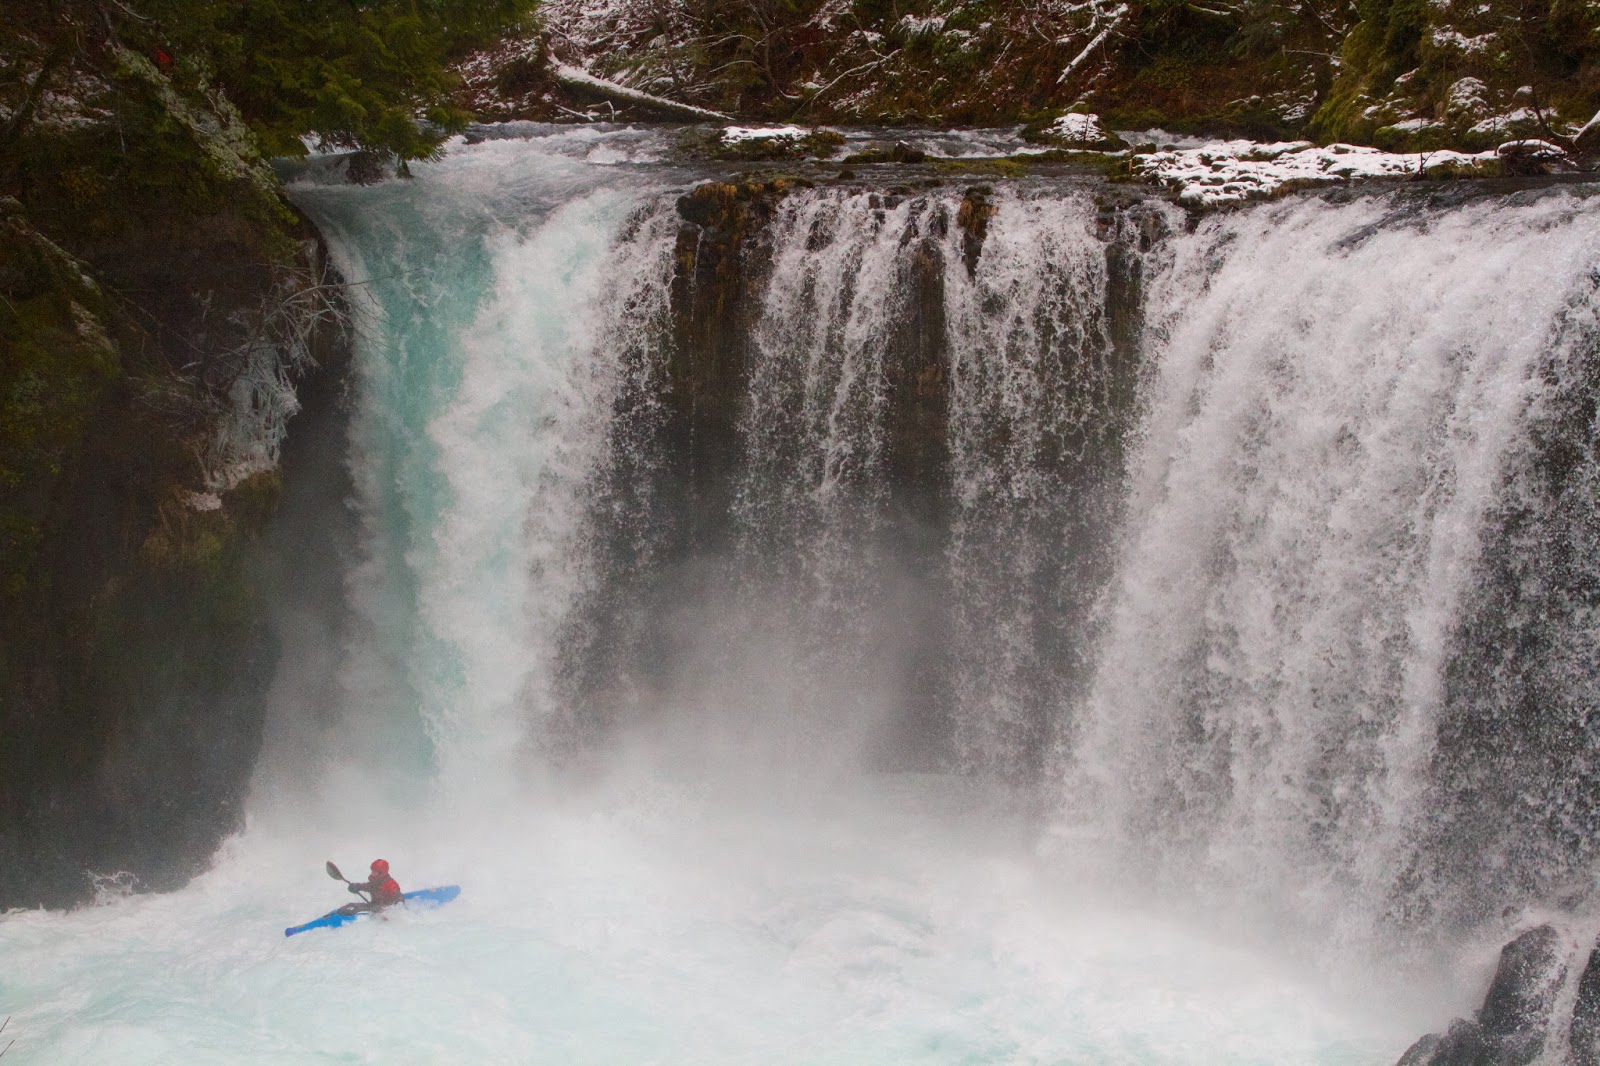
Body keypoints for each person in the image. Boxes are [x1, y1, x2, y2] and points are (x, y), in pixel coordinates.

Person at [337, 859, 404, 915]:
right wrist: (358, 886)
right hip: (374, 906)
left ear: (382, 873)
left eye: (375, 872)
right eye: (372, 871)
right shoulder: (376, 882)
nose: (372, 873)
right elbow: (368, 886)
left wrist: (391, 911)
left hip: (383, 910)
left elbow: (399, 898)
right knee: (351, 905)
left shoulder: (391, 884)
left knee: (356, 909)